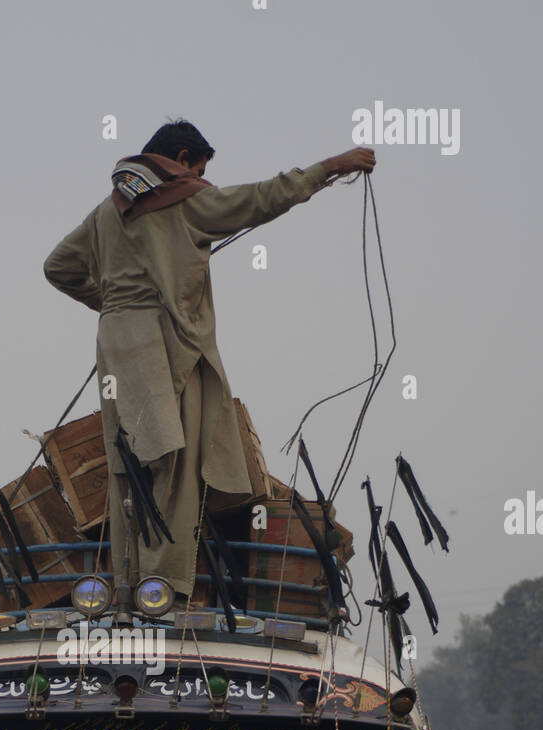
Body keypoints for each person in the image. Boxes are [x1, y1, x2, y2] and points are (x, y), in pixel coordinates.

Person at [44, 120, 376, 606]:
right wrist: (331, 167)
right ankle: (163, 590)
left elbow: (58, 267)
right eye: (198, 169)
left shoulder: (105, 212)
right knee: (174, 463)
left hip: (116, 344)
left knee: (128, 464)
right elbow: (260, 199)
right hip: (166, 344)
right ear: (181, 159)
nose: (201, 179)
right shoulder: (184, 199)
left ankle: (124, 582)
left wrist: (114, 306)